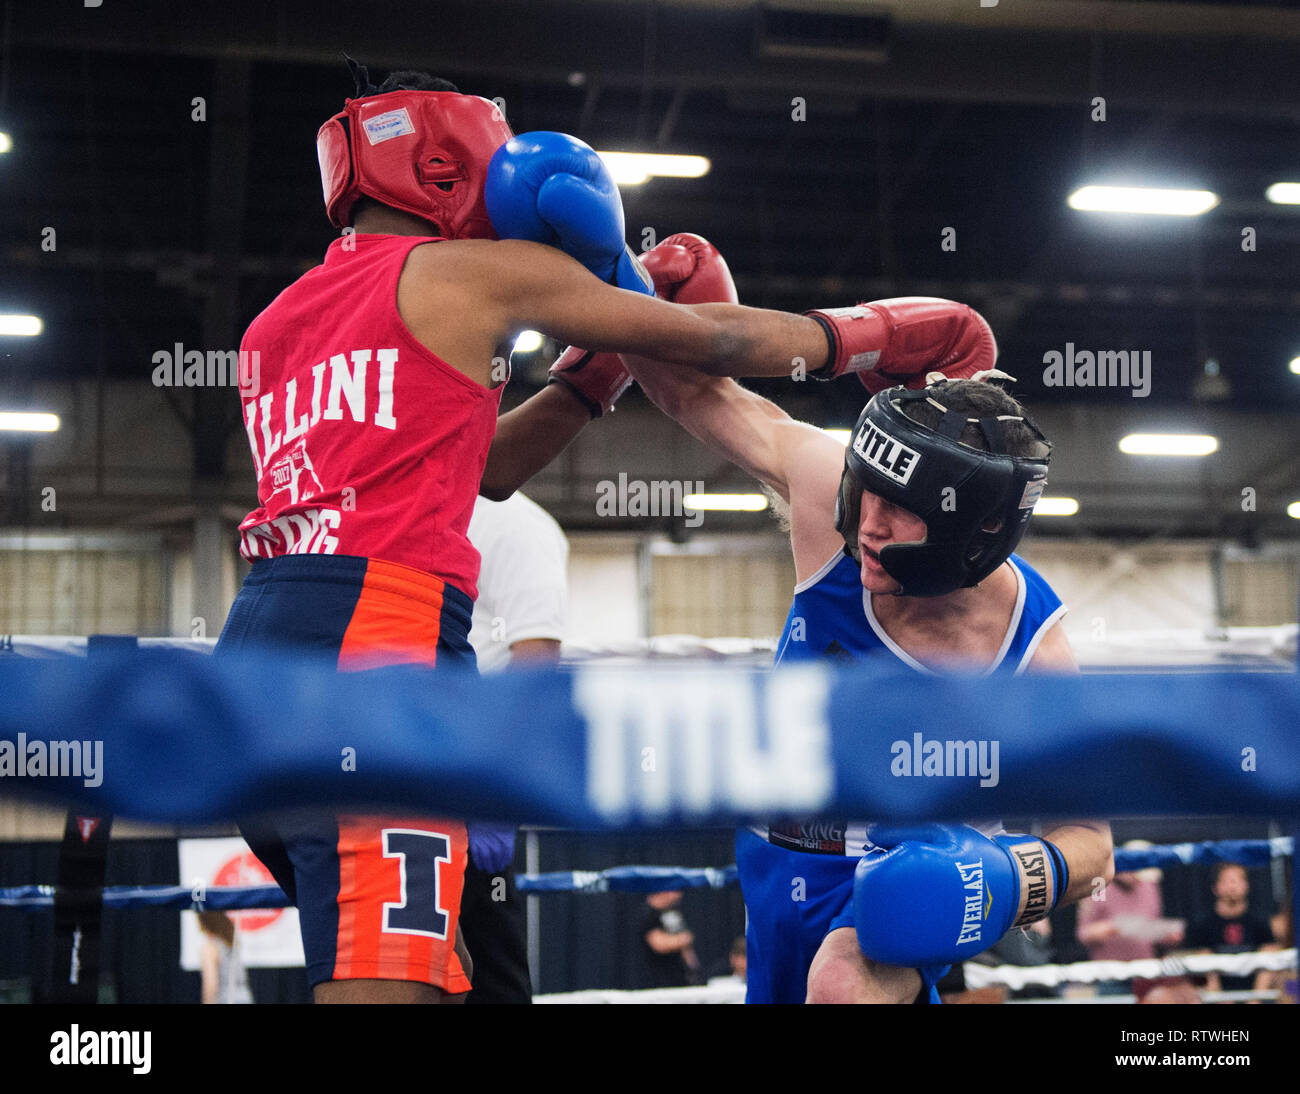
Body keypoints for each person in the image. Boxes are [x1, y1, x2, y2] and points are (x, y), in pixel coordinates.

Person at [217, 61, 964, 1004]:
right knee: (388, 989)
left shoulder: (272, 324)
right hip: (380, 650)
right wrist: (869, 332)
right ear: (453, 161)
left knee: (434, 978)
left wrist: (588, 379)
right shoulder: (474, 272)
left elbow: (477, 467)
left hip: (254, 657)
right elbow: (718, 343)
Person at [612, 235, 1113, 1003]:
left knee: (844, 982)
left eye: (901, 511)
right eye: (866, 492)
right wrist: (611, 274)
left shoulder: (1030, 652)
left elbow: (1092, 847)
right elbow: (702, 396)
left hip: (907, 879)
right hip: (775, 857)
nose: (869, 525)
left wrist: (1000, 883)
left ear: (967, 532)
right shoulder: (833, 498)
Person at [459, 491, 569, 1003]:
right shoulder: (423, 502)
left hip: (476, 777)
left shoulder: (520, 526)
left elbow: (536, 663)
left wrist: (497, 796)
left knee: (489, 965)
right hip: (407, 765)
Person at [1076, 839, 1183, 994]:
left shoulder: (1150, 886)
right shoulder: (1099, 886)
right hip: (1111, 976)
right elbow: (1084, 933)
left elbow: (1153, 926)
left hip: (1145, 973)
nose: (1136, 875)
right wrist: (1113, 927)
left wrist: (1167, 935)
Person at [1184, 863, 1274, 993]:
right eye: (1226, 881)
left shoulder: (1260, 921)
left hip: (1256, 991)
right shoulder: (1202, 925)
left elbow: (1269, 960)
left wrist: (1256, 999)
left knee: (1290, 983)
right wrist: (1218, 999)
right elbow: (1204, 967)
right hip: (1213, 994)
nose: (1232, 887)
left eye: (1237, 881)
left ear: (1246, 885)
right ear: (1215, 887)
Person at [638, 890, 700, 989]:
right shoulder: (648, 915)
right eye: (675, 890)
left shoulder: (674, 912)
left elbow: (687, 949)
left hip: (682, 979)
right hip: (661, 981)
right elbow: (658, 944)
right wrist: (683, 939)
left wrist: (693, 968)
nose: (678, 895)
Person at [196, 911, 254, 1005]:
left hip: (226, 999)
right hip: (244, 997)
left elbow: (211, 984)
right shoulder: (230, 943)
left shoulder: (210, 948)